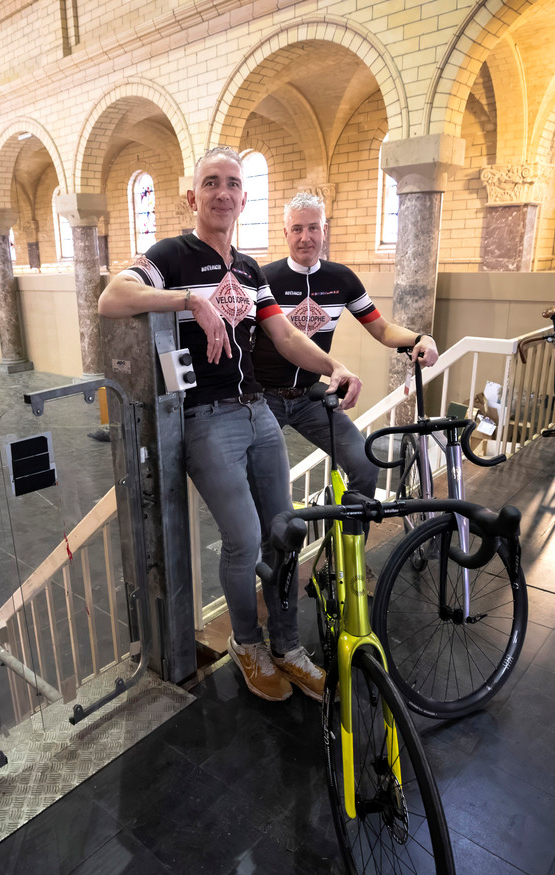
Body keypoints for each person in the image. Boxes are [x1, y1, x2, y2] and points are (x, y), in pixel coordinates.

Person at [98, 147, 363, 703]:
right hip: (205, 420)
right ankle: (247, 643)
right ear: (193, 197)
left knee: (286, 534)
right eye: (211, 183)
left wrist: (334, 363)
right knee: (244, 539)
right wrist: (189, 300)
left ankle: (288, 646)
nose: (223, 192)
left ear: (244, 198)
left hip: (257, 410)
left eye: (233, 184)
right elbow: (112, 298)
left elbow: (285, 335)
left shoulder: (247, 268)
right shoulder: (172, 254)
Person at [255, 192, 439, 498]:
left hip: (309, 398)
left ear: (324, 230)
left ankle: (350, 540)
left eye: (313, 228)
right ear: (285, 233)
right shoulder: (265, 278)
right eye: (297, 229)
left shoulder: (341, 279)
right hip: (263, 400)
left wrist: (422, 338)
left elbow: (382, 330)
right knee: (268, 486)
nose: (305, 237)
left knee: (366, 465)